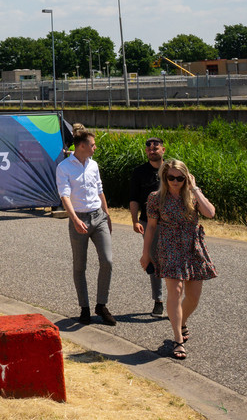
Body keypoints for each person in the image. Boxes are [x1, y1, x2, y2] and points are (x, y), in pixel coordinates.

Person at [139, 157, 217, 360]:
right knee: (175, 291)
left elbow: (210, 213)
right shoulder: (156, 198)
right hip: (169, 246)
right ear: (164, 177)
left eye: (180, 178)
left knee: (193, 298)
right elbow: (151, 228)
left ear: (186, 178)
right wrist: (146, 253)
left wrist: (195, 189)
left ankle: (181, 322)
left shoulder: (192, 196)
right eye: (171, 177)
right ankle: (177, 340)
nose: (175, 181)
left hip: (193, 247)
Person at [56, 129, 116, 326]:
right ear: (82, 146)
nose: (95, 147)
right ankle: (85, 308)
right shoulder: (64, 167)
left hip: (98, 217)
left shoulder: (94, 165)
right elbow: (64, 195)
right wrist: (74, 219)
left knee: (107, 261)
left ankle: (101, 305)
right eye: (92, 144)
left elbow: (100, 190)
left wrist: (107, 215)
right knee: (79, 266)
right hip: (79, 219)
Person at [129, 136, 166, 316]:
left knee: (173, 260)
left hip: (171, 224)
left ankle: (176, 302)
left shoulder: (171, 170)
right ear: (146, 151)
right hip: (148, 222)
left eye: (156, 148)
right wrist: (135, 220)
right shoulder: (139, 172)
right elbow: (134, 198)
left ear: (163, 150)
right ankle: (158, 300)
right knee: (153, 260)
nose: (152, 150)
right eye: (149, 148)